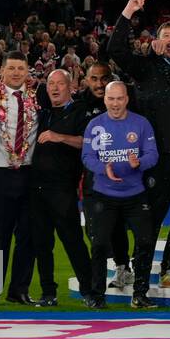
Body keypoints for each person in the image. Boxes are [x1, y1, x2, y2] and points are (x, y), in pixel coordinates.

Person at [109, 0, 170, 291]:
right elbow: (115, 50)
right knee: (151, 218)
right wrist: (128, 12)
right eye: (166, 35)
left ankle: (169, 268)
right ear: (157, 40)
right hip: (158, 158)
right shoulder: (145, 68)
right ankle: (140, 276)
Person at [81, 80, 159, 309]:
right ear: (104, 99)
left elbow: (153, 155)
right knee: (99, 245)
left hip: (136, 194)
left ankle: (140, 295)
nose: (115, 104)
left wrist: (139, 162)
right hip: (104, 195)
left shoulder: (141, 123)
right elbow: (87, 157)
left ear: (126, 99)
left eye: (119, 98)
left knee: (145, 241)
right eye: (110, 99)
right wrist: (101, 168)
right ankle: (97, 296)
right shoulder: (95, 125)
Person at [0, 50, 40, 305]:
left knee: (27, 235)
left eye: (20, 69)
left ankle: (19, 291)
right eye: (11, 68)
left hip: (30, 173)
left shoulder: (38, 95)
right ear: (1, 70)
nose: (16, 73)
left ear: (27, 72)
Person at [30, 69, 96, 307]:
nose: (55, 88)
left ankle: (89, 291)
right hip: (36, 189)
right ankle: (49, 293)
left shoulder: (80, 112)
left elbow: (88, 142)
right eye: (50, 84)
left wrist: (60, 137)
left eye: (60, 83)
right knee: (42, 243)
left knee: (73, 241)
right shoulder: (43, 113)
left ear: (71, 87)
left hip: (63, 188)